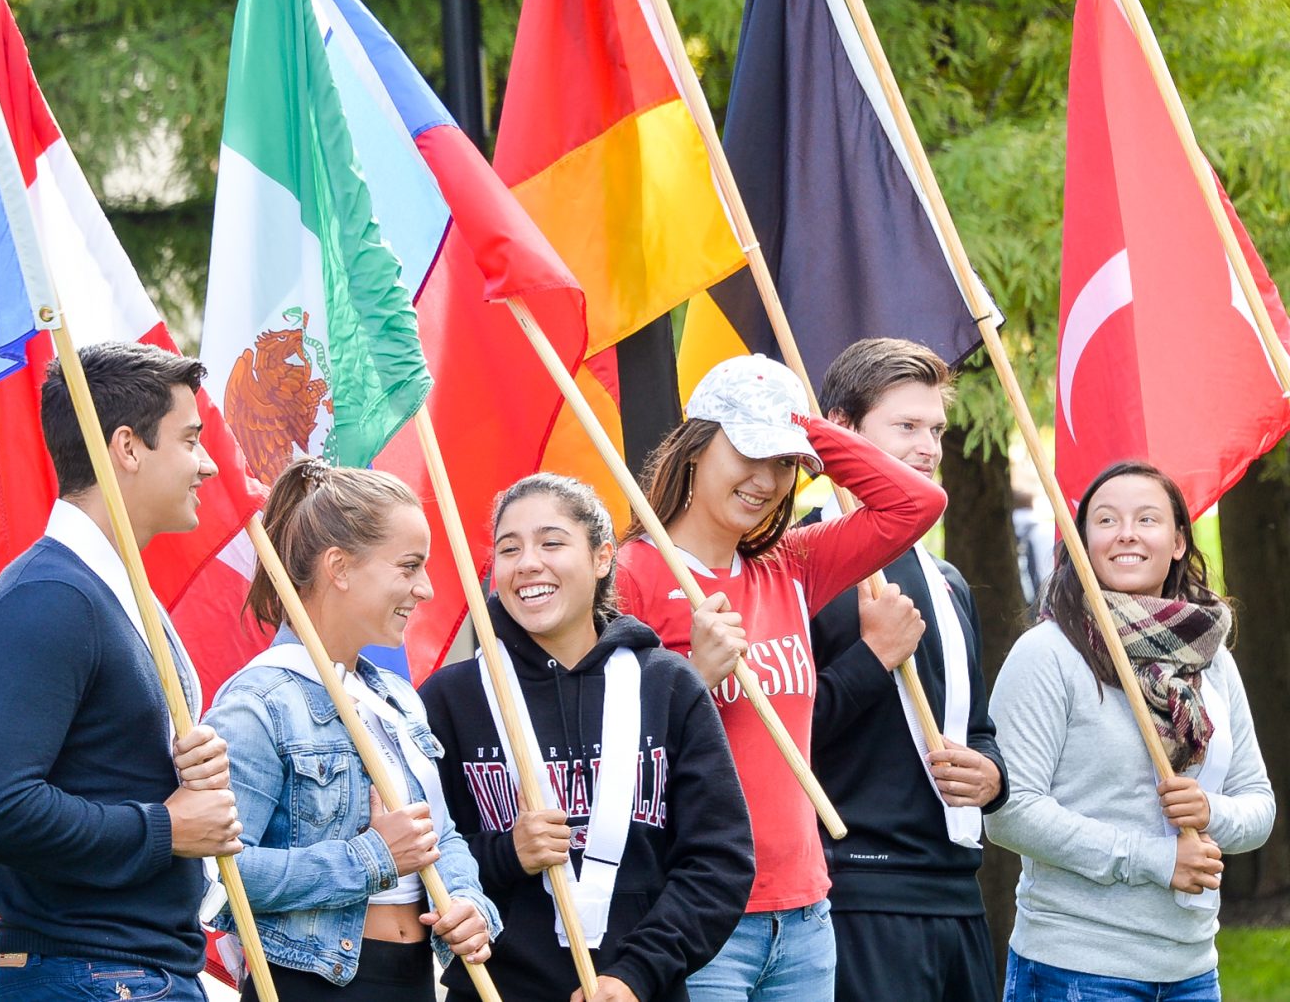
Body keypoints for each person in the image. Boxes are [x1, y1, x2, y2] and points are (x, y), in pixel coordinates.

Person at [615, 354, 947, 1002]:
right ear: (696, 444)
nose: (767, 479)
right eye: (750, 451)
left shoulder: (789, 563)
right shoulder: (632, 572)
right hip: (700, 916)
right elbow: (595, 748)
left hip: (805, 914)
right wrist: (693, 678)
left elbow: (916, 504)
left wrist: (802, 427)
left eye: (784, 462)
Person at [0, 341, 245, 1001]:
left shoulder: (111, 590)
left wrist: (184, 770)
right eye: (190, 440)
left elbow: (107, 768)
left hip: (137, 971)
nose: (206, 465)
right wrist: (164, 827)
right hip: (91, 973)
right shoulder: (51, 598)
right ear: (127, 447)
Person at [420, 473, 754, 1002]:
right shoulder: (448, 699)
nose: (528, 562)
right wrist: (508, 852)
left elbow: (719, 860)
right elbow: (426, 859)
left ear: (602, 558)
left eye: (552, 542)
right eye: (509, 549)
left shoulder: (668, 684)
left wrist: (637, 975)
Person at [202, 459, 498, 1001]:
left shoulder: (396, 695)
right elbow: (222, 872)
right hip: (310, 982)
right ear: (339, 566)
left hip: (409, 979)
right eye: (409, 567)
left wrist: (470, 902)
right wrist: (372, 859)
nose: (426, 588)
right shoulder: (258, 701)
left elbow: (439, 832)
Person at [986, 461, 1276, 1001]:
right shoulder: (1048, 654)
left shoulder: (1211, 660)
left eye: (1147, 519)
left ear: (1178, 542)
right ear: (1081, 540)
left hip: (1194, 970)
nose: (1126, 533)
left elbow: (1258, 803)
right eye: (1105, 520)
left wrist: (1214, 813)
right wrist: (1153, 860)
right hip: (1076, 969)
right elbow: (1010, 812)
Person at [805, 338, 1006, 1002]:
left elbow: (976, 725)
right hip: (859, 892)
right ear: (841, 432)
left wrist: (991, 772)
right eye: (907, 427)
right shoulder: (797, 562)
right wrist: (871, 659)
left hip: (957, 891)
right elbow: (779, 734)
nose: (929, 447)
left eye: (937, 430)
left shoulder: (947, 581)